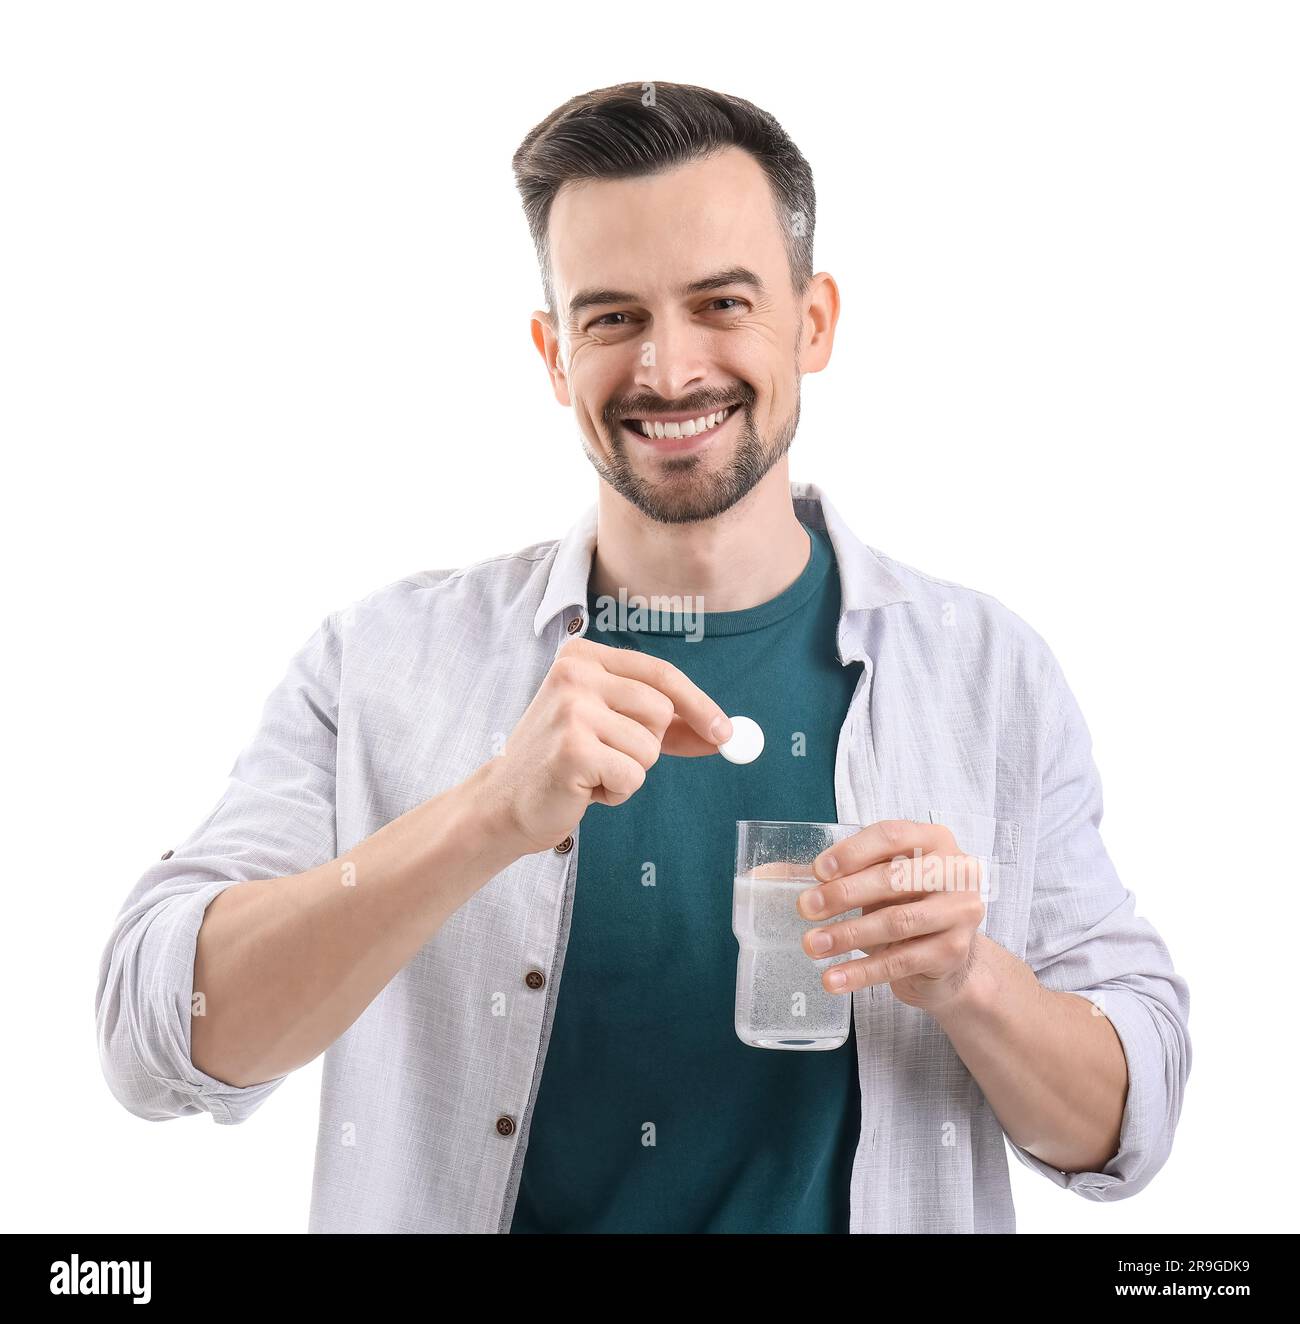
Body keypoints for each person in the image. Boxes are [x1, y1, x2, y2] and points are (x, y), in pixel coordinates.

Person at [95, 81, 1191, 1234]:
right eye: (612, 317)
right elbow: (153, 1035)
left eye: (721, 302)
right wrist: (485, 818)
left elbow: (1133, 1120)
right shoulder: (378, 664)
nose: (669, 372)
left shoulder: (988, 676)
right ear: (553, 353)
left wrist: (975, 982)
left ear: (813, 321)